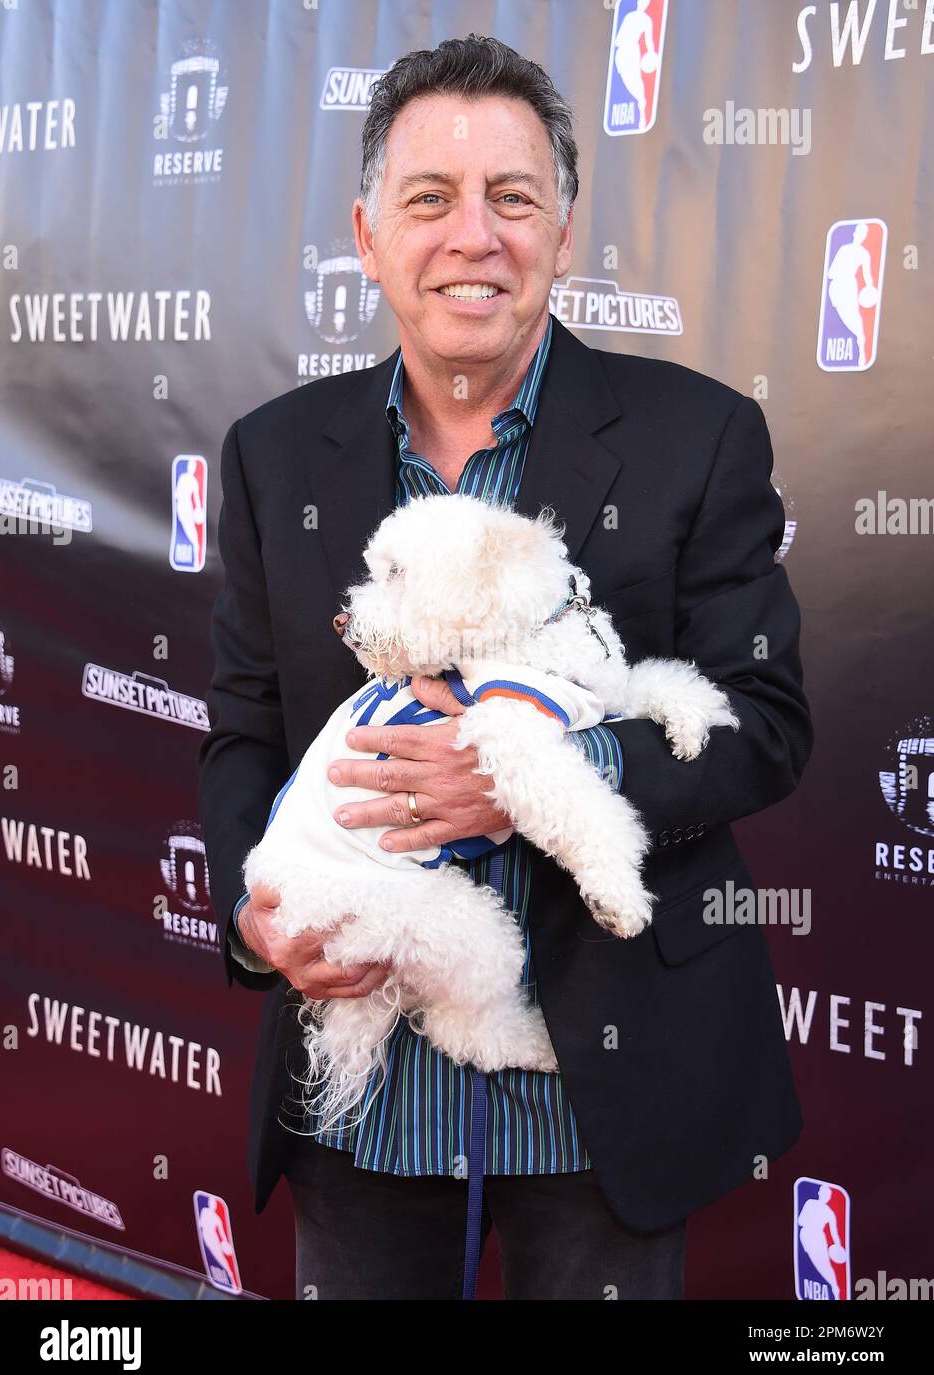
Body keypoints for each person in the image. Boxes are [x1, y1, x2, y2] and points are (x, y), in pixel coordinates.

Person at [197, 33, 813, 1301]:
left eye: (512, 198)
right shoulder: (269, 457)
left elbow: (762, 721)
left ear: (564, 230)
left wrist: (534, 777)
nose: (472, 235)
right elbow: (243, 733)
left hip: (603, 1100)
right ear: (367, 238)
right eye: (429, 199)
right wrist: (257, 922)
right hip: (358, 1101)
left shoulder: (698, 436)